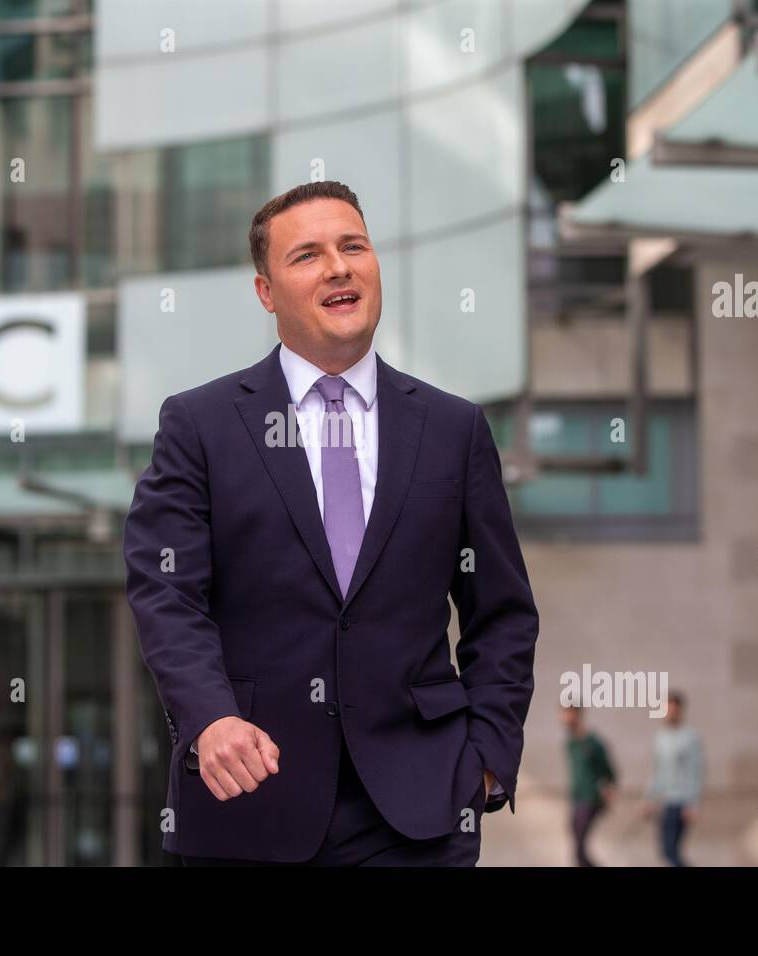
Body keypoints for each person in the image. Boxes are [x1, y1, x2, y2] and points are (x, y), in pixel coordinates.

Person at [123, 181, 540, 866]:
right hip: (248, 803)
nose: (339, 267)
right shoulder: (199, 424)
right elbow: (165, 593)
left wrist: (486, 761)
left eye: (354, 246)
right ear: (266, 292)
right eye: (308, 256)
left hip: (420, 814)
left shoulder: (453, 429)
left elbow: (503, 613)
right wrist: (209, 717)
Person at [639, 691, 703, 867]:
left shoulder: (690, 737)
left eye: (673, 709)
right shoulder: (660, 737)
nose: (670, 713)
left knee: (671, 851)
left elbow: (695, 772)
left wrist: (693, 804)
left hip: (681, 802)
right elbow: (657, 773)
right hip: (664, 803)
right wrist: (648, 799)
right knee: (667, 852)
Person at [560, 704, 615, 866]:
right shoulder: (570, 744)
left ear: (578, 714)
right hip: (576, 800)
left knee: (579, 851)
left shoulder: (593, 743)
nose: (564, 718)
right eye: (563, 713)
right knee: (578, 851)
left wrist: (608, 790)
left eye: (568, 713)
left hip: (590, 799)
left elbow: (610, 773)